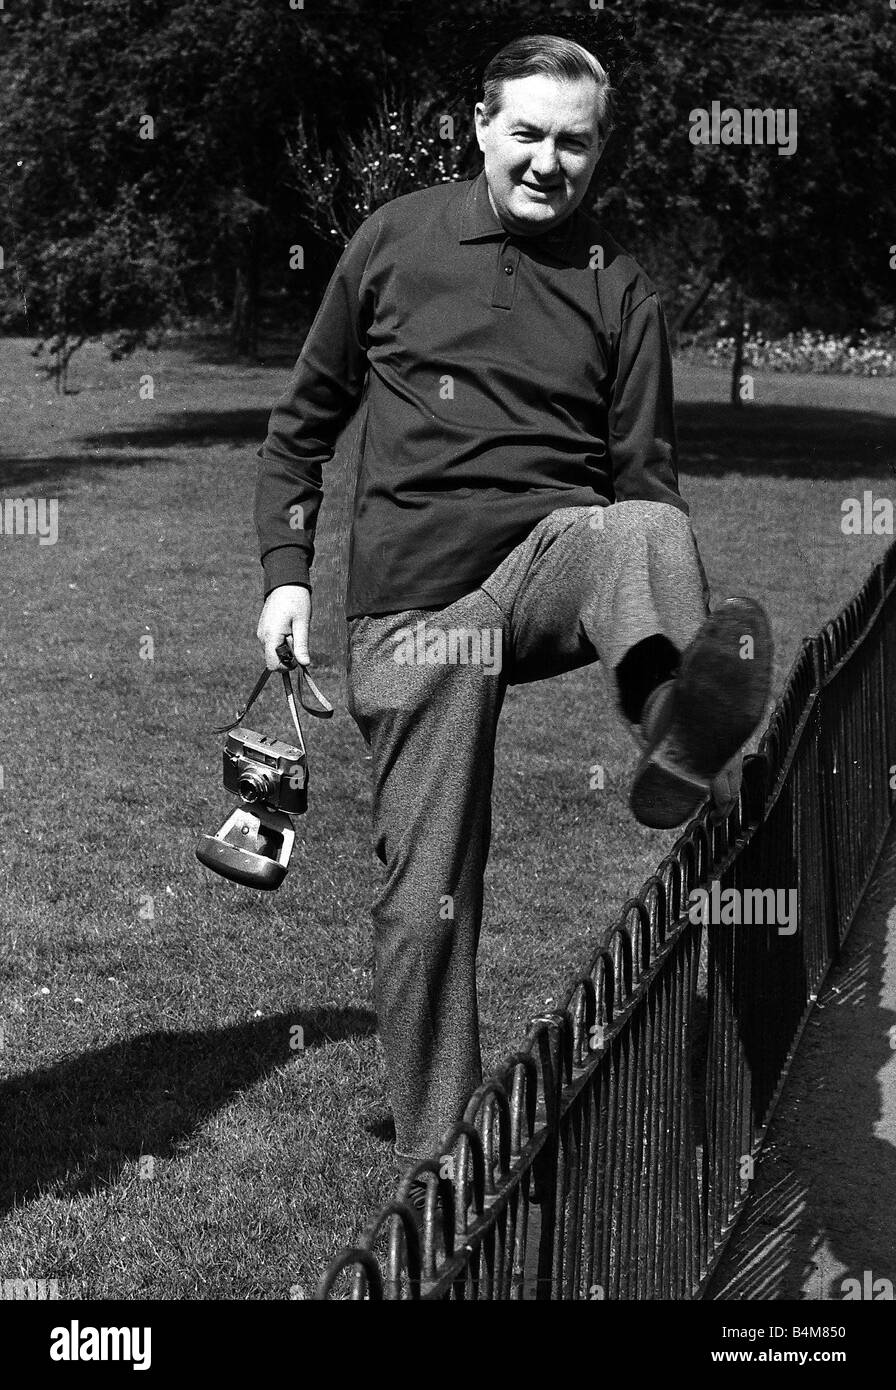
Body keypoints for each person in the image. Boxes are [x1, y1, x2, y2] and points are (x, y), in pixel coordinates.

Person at [253, 34, 772, 1170]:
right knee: (425, 888)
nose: (547, 161)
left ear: (599, 151)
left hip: (544, 566)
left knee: (639, 526)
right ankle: (440, 1154)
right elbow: (301, 427)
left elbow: (643, 477)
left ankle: (673, 729)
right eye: (526, 133)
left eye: (572, 142)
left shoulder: (618, 286)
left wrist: (652, 603)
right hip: (413, 608)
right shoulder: (392, 240)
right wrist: (287, 575)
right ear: (478, 124)